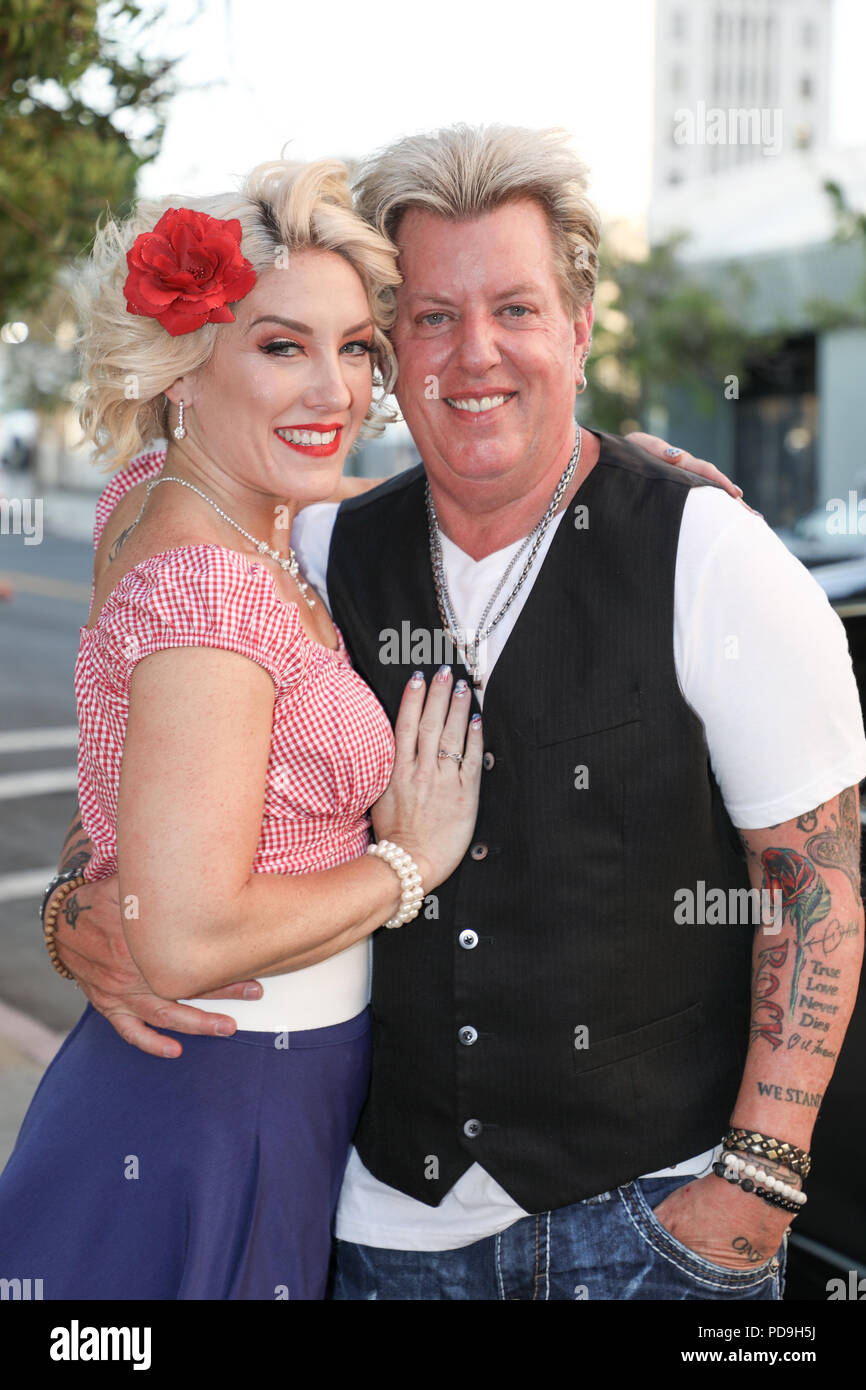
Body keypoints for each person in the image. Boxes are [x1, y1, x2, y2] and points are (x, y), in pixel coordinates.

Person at [49, 126, 865, 1302]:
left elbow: (813, 876)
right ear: (395, 352)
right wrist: (75, 902)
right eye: (430, 317)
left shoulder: (707, 554)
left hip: (653, 1225)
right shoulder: (309, 551)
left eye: (516, 310)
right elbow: (162, 772)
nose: (473, 353)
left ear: (579, 332)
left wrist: (754, 1189)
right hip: (380, 1225)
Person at [0, 158, 483, 1301]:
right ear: (182, 367)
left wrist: (595, 470)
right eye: (280, 345)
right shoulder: (210, 594)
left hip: (230, 1089)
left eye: (357, 347)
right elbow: (182, 941)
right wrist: (408, 864)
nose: (336, 391)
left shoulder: (170, 495)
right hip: (222, 1103)